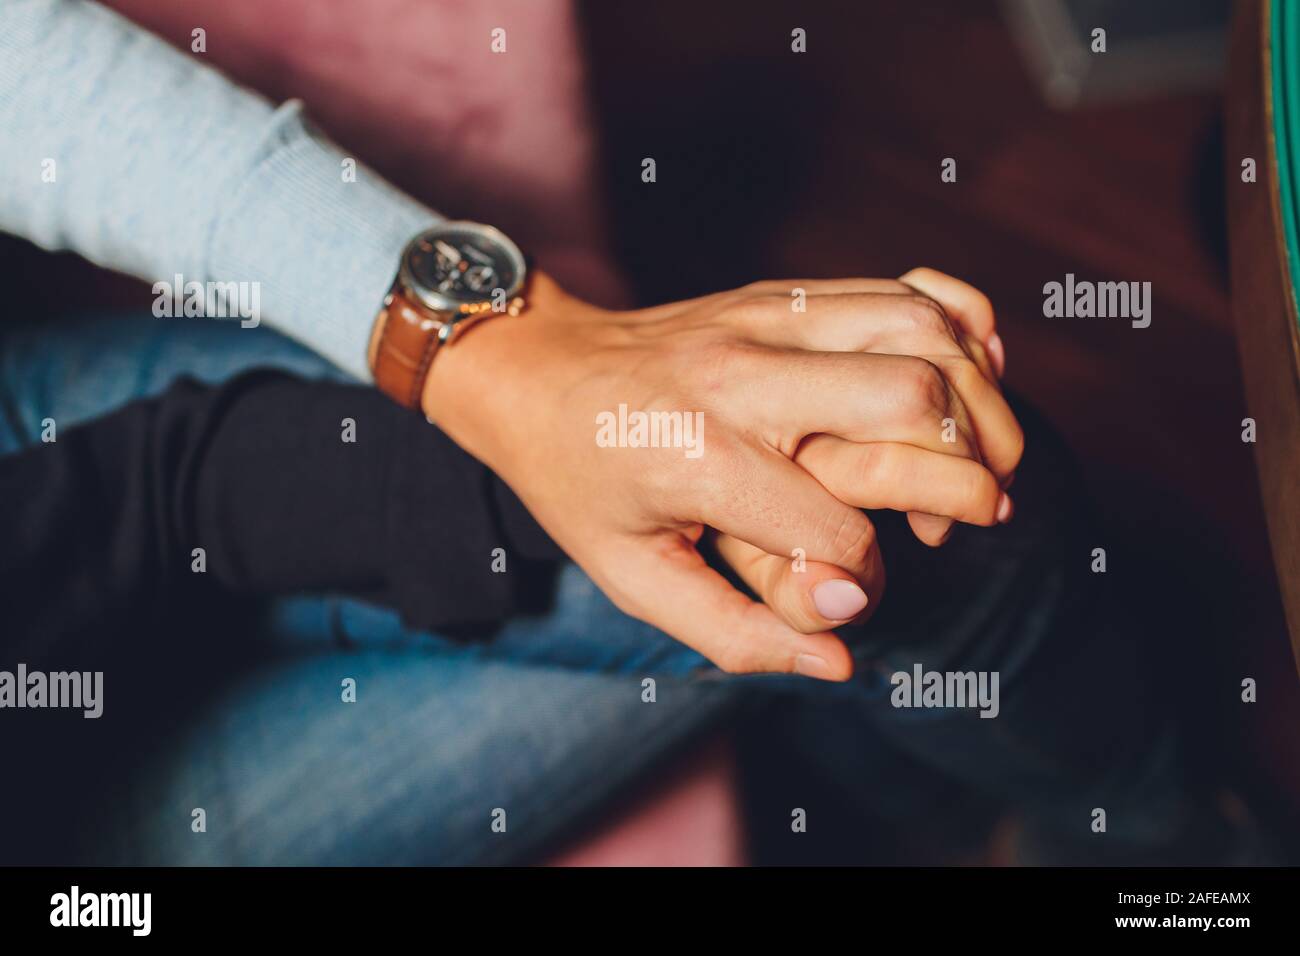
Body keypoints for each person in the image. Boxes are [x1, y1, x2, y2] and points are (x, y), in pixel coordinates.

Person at [0, 0, 1208, 864]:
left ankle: (1125, 829)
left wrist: (505, 359)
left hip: (65, 472)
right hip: (85, 804)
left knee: (855, 508)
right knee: (807, 544)